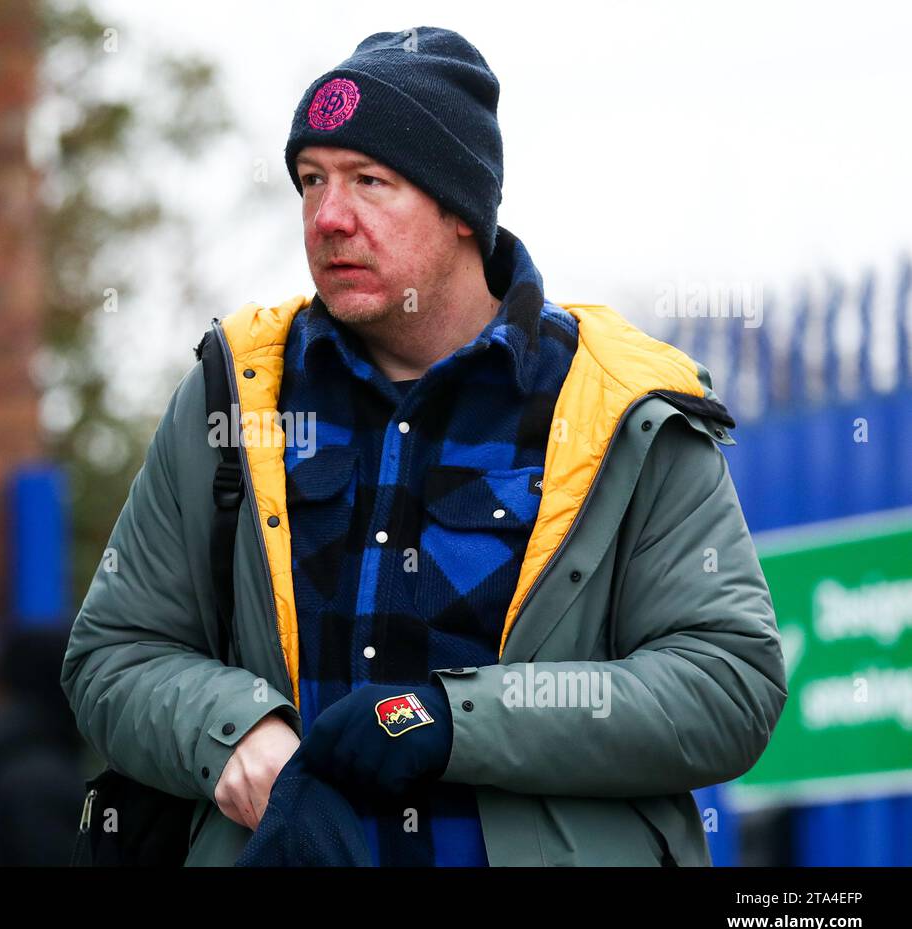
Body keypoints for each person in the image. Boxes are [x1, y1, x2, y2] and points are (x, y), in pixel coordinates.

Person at [61, 25, 786, 866]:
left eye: (371, 182)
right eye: (310, 181)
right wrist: (235, 735)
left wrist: (449, 723)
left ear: (460, 212)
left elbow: (728, 684)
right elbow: (114, 656)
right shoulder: (234, 393)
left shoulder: (626, 406)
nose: (329, 218)